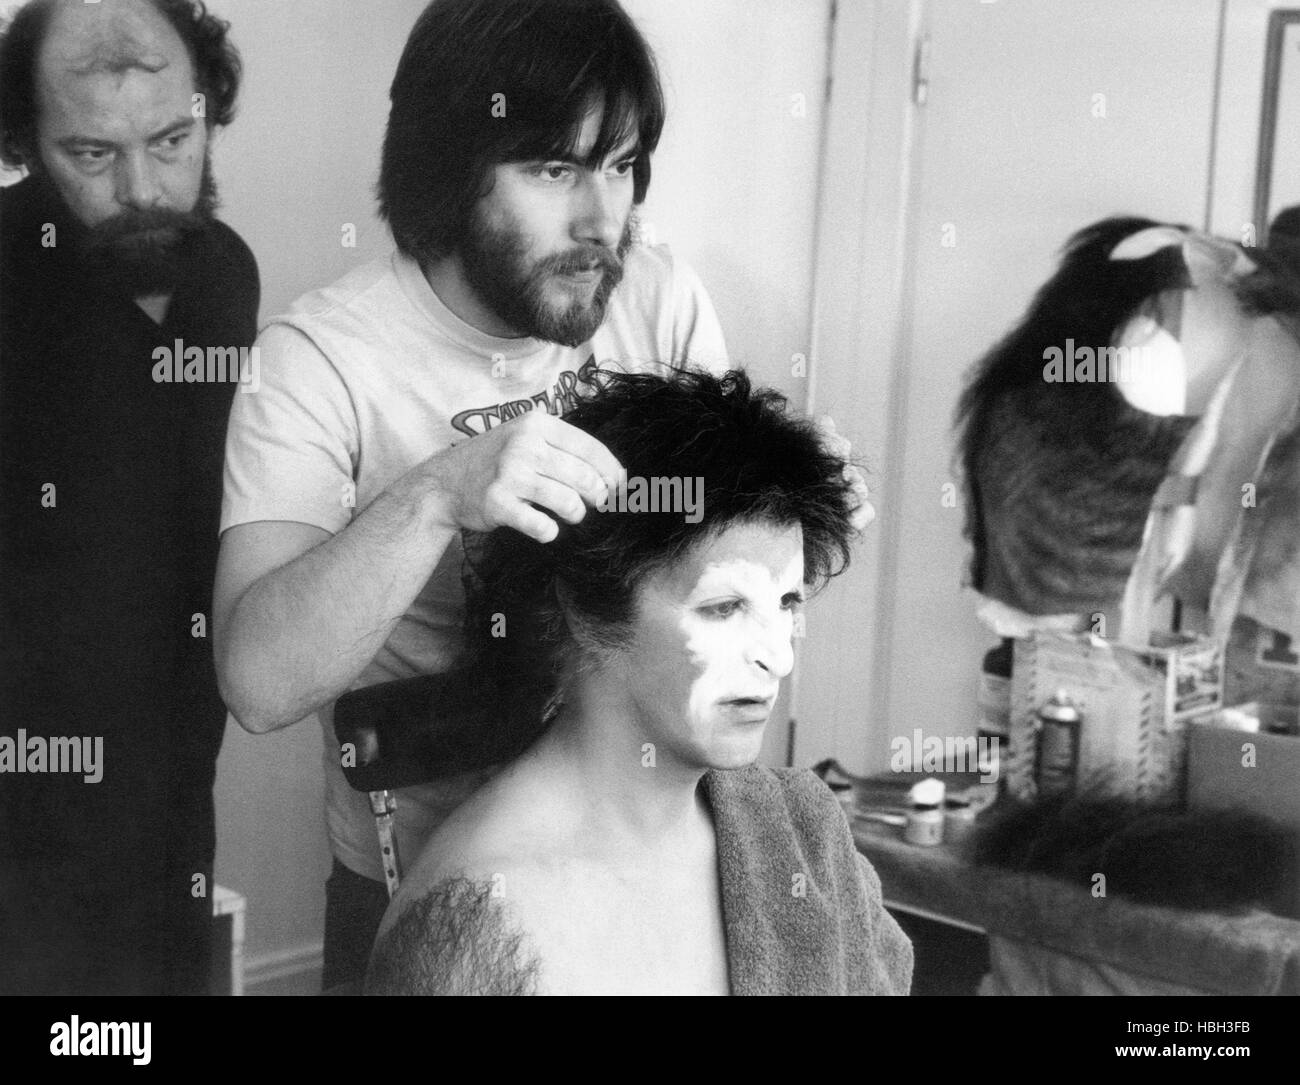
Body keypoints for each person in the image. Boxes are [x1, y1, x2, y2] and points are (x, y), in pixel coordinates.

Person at [213, 0, 732, 992]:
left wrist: (782, 497)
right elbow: (257, 682)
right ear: (452, 168)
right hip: (427, 899)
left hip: (645, 854)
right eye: (552, 168)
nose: (601, 219)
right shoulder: (319, 360)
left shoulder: (658, 299)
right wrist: (437, 495)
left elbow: (720, 563)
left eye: (620, 166)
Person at [364, 369, 913, 995]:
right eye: (724, 608)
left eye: (787, 604)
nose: (778, 660)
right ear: (584, 606)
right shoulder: (487, 917)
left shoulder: (797, 833)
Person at [0, 0, 257, 994]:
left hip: (176, 786)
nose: (143, 188)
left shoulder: (227, 274)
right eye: (91, 153)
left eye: (171, 140)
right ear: (26, 141)